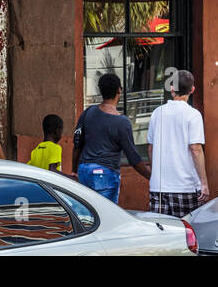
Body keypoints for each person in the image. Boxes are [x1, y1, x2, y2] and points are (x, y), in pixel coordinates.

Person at [73, 73, 151, 203]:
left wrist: (74, 170)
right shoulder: (122, 122)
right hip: (105, 174)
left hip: (84, 171)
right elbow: (133, 158)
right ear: (119, 90)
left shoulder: (88, 112)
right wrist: (151, 177)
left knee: (84, 212)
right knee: (106, 213)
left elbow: (77, 144)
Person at [146, 69, 209, 217]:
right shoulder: (193, 115)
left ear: (172, 89)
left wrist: (156, 174)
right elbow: (195, 149)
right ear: (192, 90)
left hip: (158, 187)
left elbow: (151, 148)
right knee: (185, 228)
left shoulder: (157, 113)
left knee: (160, 229)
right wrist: (204, 183)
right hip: (185, 186)